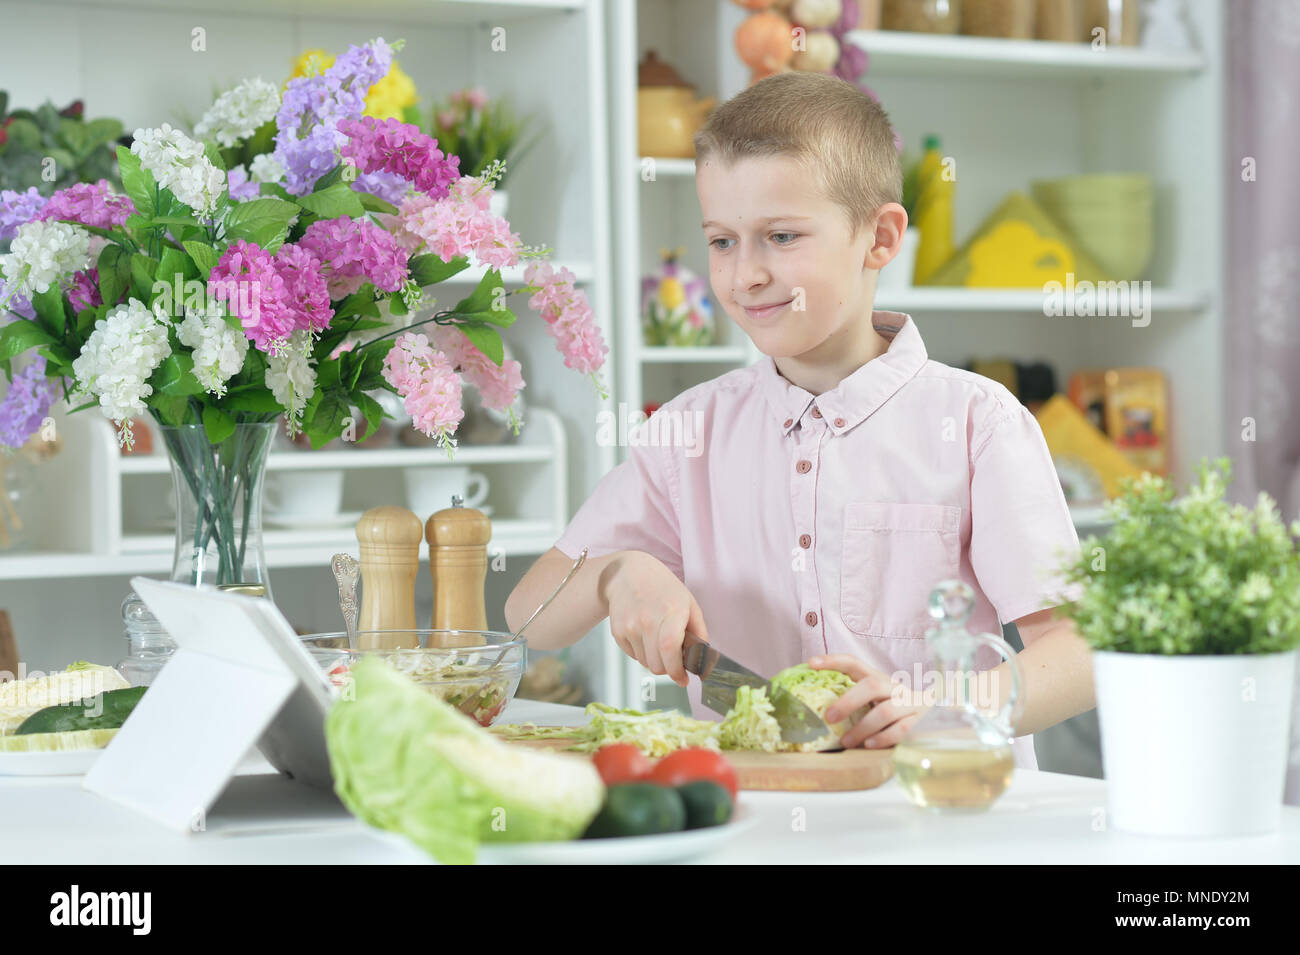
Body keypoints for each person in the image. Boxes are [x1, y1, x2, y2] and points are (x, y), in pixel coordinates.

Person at [505, 71, 1096, 769]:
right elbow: (530, 617)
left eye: (781, 236)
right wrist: (618, 576)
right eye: (722, 241)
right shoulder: (688, 431)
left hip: (943, 813)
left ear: (879, 237)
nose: (745, 273)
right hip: (755, 820)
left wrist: (940, 709)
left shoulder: (978, 422)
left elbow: (1082, 653)